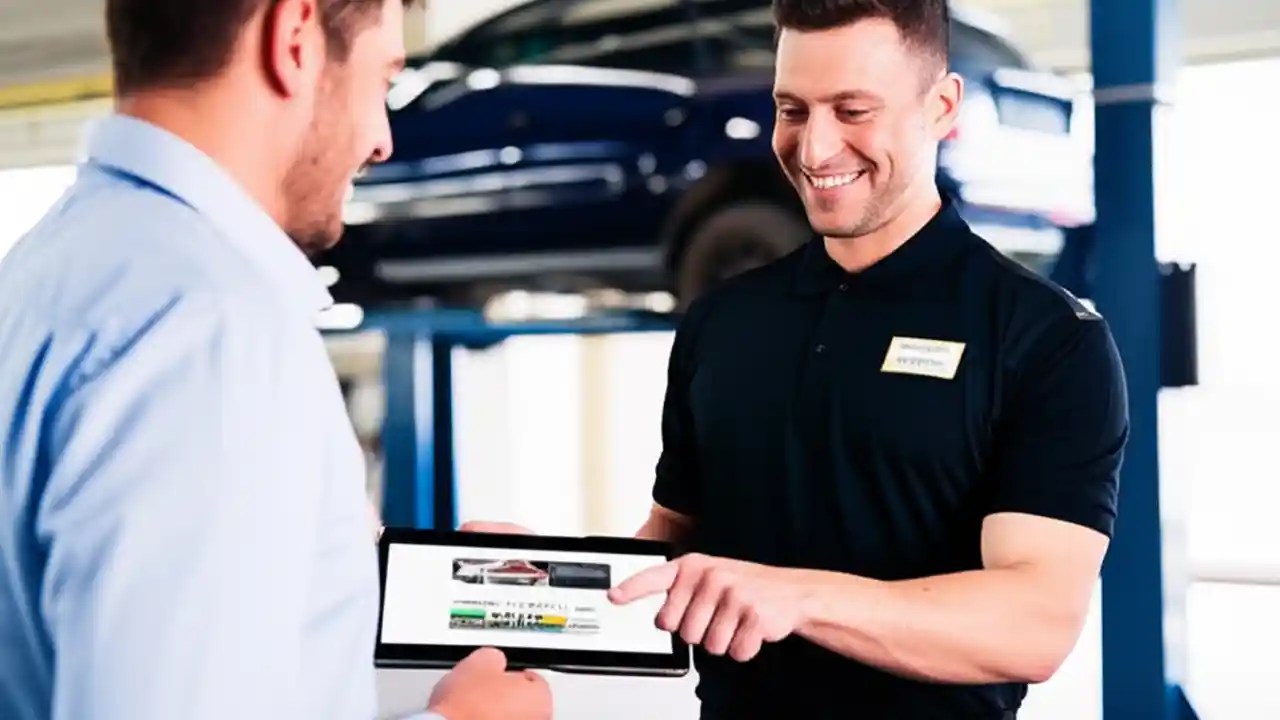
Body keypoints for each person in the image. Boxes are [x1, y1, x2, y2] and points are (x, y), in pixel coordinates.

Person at [465, 1, 1129, 718]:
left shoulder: (1045, 339)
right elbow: (674, 548)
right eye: (792, 109)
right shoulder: (723, 321)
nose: (814, 150)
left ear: (940, 106)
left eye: (852, 110)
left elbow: (1033, 625)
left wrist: (799, 596)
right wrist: (547, 578)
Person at [0, 1, 549, 719]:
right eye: (381, 82)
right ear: (294, 38)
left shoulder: (53, 266)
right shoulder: (210, 329)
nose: (382, 141)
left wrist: (357, 574)